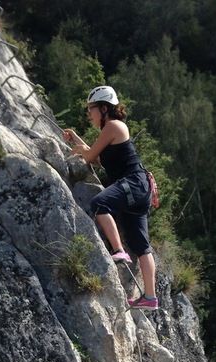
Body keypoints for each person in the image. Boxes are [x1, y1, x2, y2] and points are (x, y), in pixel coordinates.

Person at [63, 85, 159, 312]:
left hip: (134, 184)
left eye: (92, 109)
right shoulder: (113, 131)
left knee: (99, 203)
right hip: (139, 188)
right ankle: (150, 297)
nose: (89, 114)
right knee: (141, 246)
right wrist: (76, 140)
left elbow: (88, 155)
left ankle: (118, 251)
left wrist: (80, 149)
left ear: (104, 108)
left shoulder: (113, 126)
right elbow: (96, 157)